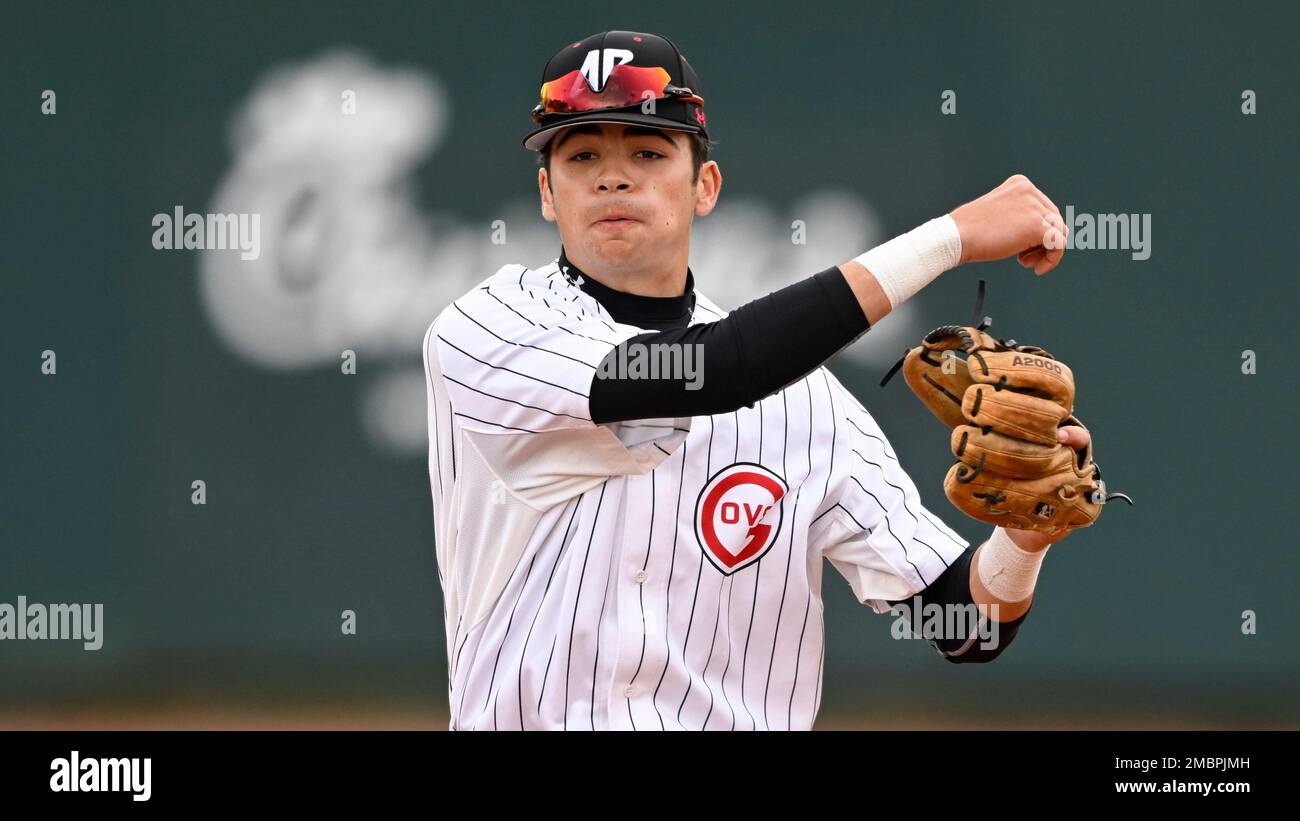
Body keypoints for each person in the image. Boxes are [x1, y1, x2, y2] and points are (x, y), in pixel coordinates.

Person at [421, 30, 1083, 730]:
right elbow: (706, 370)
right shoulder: (485, 331)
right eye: (582, 154)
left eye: (647, 151)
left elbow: (965, 624)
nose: (613, 177)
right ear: (547, 192)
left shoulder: (809, 403)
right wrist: (950, 236)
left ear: (705, 185)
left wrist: (1022, 540)